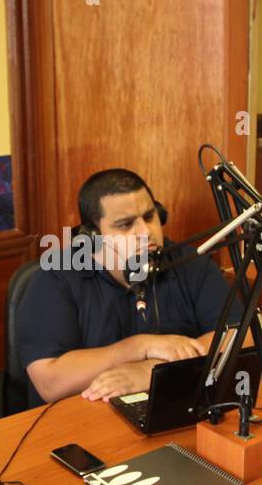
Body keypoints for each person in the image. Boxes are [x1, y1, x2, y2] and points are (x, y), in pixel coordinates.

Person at [17, 168, 231, 405]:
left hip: (174, 407)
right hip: (83, 421)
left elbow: (242, 335)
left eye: (149, 216)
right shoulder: (54, 280)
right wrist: (141, 347)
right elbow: (50, 381)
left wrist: (153, 370)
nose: (145, 232)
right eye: (125, 224)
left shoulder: (191, 263)